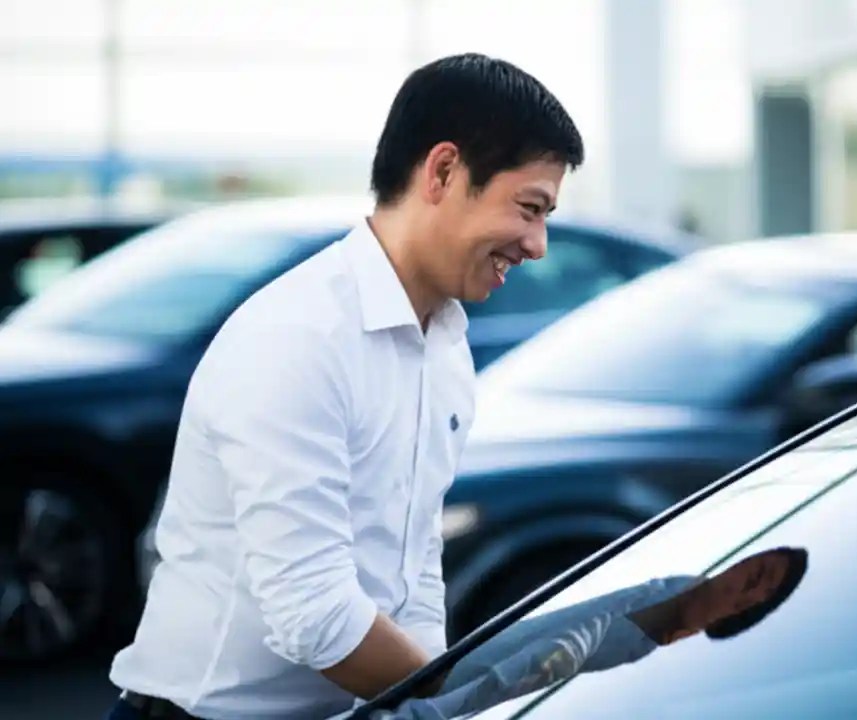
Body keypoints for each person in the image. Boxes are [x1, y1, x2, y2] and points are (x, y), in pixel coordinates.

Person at [106, 53, 584, 720]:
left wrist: (418, 701)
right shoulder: (297, 337)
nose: (537, 244)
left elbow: (415, 562)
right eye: (529, 208)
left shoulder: (444, 345)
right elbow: (314, 612)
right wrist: (460, 700)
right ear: (443, 171)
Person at [368, 547, 809, 719]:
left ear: (740, 613)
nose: (750, 582)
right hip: (407, 678)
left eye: (758, 590)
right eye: (759, 567)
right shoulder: (662, 575)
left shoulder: (643, 667)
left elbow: (494, 689)